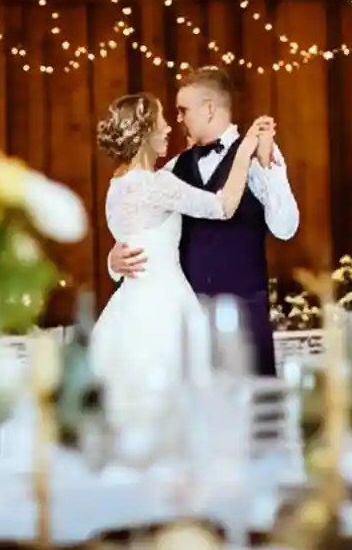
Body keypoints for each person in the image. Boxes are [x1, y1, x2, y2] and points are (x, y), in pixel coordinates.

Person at [107, 67, 299, 376]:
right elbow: (140, 224)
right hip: (185, 324)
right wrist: (114, 261)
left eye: (183, 110)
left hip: (244, 318)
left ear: (209, 108)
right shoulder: (169, 170)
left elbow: (285, 228)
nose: (177, 120)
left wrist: (267, 166)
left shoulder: (259, 156)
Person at [89, 91, 265, 386]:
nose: (169, 128)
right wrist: (244, 151)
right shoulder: (158, 185)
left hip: (128, 308)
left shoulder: (117, 185)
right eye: (161, 121)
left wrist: (111, 262)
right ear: (145, 132)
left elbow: (136, 235)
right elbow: (223, 206)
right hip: (166, 307)